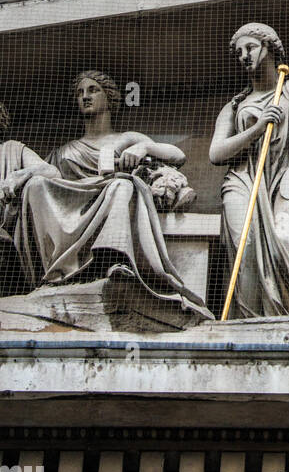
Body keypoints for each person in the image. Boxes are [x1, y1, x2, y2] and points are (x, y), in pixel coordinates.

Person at [15, 70, 210, 328]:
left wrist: (145, 148)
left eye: (93, 90)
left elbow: (177, 155)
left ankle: (116, 262)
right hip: (72, 205)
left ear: (110, 99)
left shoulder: (124, 138)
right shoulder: (65, 151)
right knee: (37, 185)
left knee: (122, 185)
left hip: (108, 197)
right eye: (79, 93)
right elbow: (51, 181)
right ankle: (56, 272)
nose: (85, 96)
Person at [209, 22, 289, 318]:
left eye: (251, 47)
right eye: (239, 51)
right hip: (243, 182)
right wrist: (256, 129)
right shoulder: (235, 106)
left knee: (284, 242)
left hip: (288, 183)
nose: (244, 55)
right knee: (248, 248)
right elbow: (216, 154)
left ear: (270, 49)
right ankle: (247, 322)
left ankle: (285, 321)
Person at [0, 101, 58, 296]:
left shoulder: (11, 149)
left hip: (8, 245)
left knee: (38, 183)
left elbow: (52, 172)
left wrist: (20, 175)